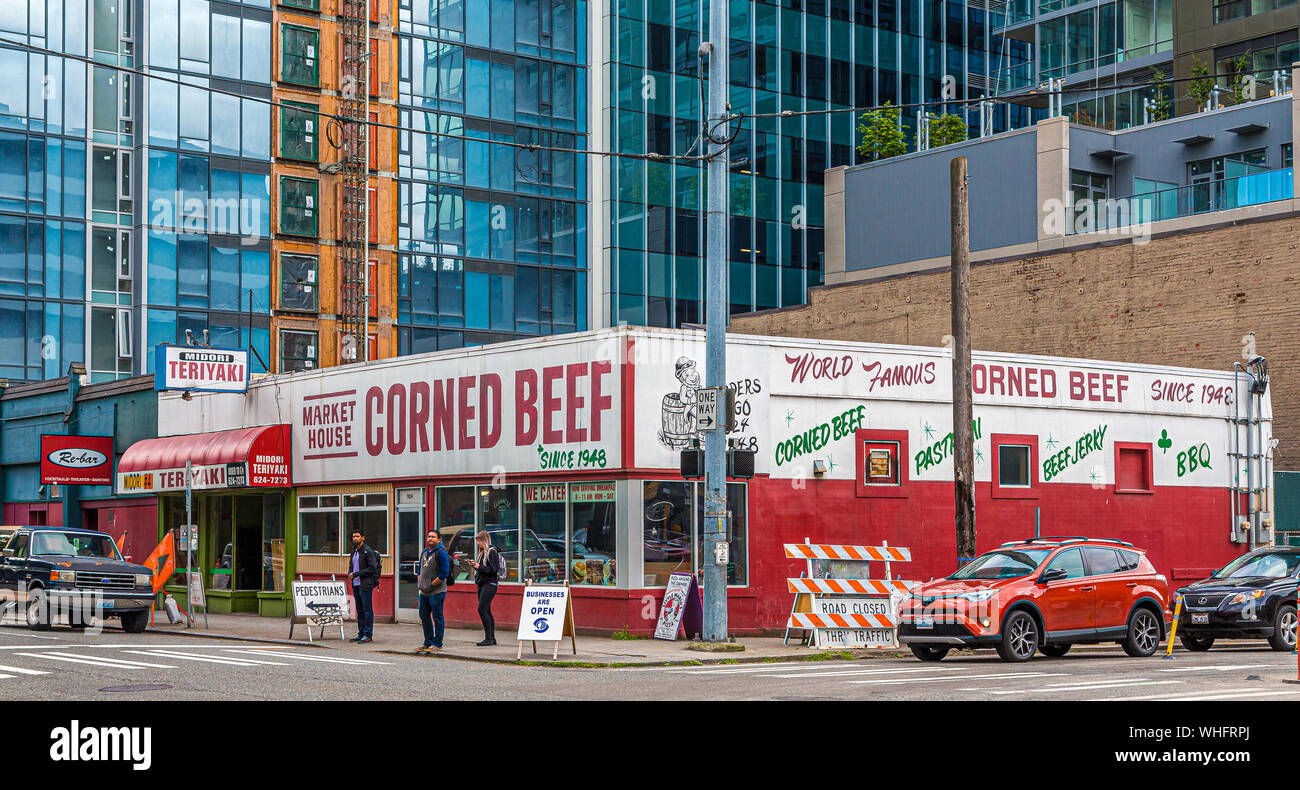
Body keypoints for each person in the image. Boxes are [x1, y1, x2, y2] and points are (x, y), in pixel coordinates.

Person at [416, 530, 450, 653]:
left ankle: (438, 643)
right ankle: (428, 642)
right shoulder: (424, 552)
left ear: (439, 539)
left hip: (437, 592)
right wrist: (420, 583)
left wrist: (431, 585)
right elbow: (420, 570)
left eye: (433, 537)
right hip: (424, 592)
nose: (430, 539)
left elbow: (444, 573)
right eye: (429, 536)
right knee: (424, 616)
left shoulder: (441, 553)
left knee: (437, 617)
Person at [467, 530, 502, 646]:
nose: (478, 544)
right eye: (477, 541)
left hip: (490, 584)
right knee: (487, 610)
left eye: (479, 541)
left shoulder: (492, 552)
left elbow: (493, 570)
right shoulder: (482, 553)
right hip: (482, 584)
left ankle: (489, 638)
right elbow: (483, 569)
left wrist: (479, 566)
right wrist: (475, 565)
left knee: (481, 609)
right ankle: (492, 638)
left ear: (485, 540)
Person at [347, 528, 380, 643]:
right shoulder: (354, 552)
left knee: (367, 610)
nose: (355, 538)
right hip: (356, 585)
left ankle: (368, 634)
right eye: (354, 536)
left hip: (365, 585)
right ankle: (360, 633)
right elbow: (351, 566)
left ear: (363, 538)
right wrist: (350, 573)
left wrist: (356, 574)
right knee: (359, 610)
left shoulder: (368, 551)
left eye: (357, 536)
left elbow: (372, 569)